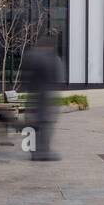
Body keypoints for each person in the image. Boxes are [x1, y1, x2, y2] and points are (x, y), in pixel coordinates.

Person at [21, 31, 64, 161]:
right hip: (46, 98)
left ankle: (35, 152)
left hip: (33, 97)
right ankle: (43, 152)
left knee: (34, 125)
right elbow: (58, 78)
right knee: (45, 125)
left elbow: (25, 78)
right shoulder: (52, 59)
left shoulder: (31, 56)